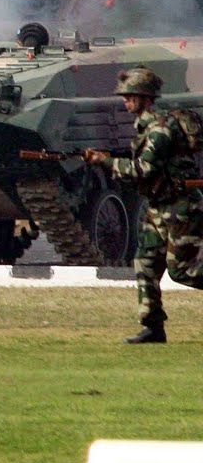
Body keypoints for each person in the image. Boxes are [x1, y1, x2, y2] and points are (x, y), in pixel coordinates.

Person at [84, 66, 203, 344]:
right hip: (159, 208)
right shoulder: (147, 128)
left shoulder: (159, 131)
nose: (126, 101)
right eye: (125, 97)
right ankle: (152, 327)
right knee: (145, 263)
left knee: (181, 271)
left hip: (180, 208)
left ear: (146, 98)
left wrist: (106, 161)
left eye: (131, 96)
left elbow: (143, 169)